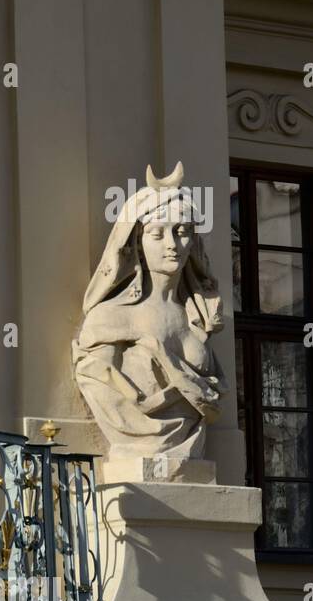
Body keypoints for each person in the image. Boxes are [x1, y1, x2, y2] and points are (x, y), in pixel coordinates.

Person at [72, 163, 225, 460]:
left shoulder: (198, 320)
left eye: (182, 232)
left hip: (190, 456)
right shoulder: (110, 318)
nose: (172, 245)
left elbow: (213, 394)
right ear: (137, 244)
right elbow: (101, 383)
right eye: (157, 234)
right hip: (137, 451)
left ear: (193, 241)